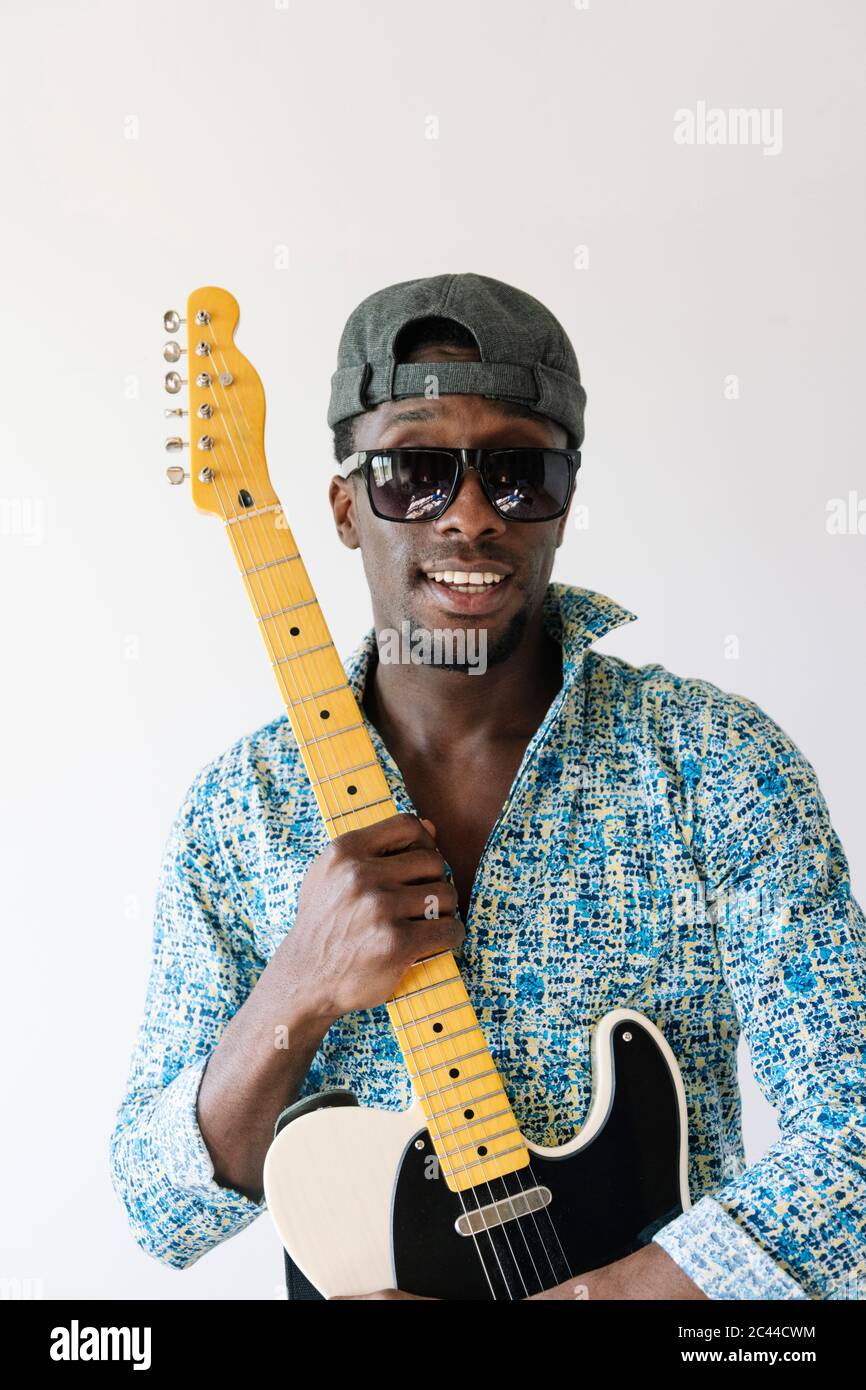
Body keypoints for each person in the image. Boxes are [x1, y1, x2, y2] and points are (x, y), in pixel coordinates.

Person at [110, 272, 865, 1300]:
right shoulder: (240, 810)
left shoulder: (713, 764)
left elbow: (853, 1132)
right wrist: (296, 986)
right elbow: (162, 1210)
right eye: (414, 471)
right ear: (342, 507)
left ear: (562, 502)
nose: (468, 516)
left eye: (517, 473)